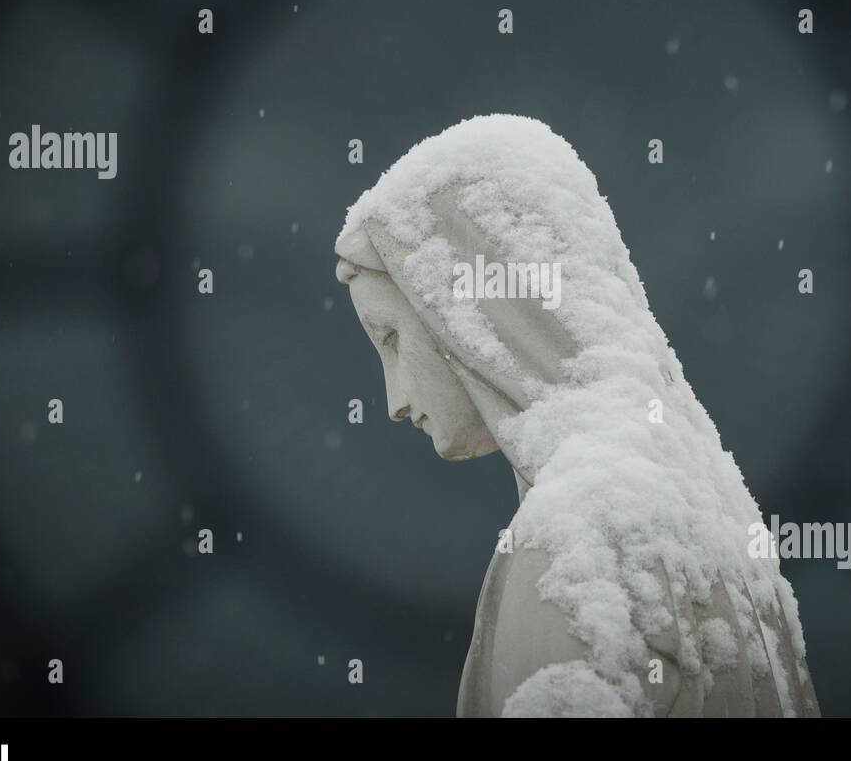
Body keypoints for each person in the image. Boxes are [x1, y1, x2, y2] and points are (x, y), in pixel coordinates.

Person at [335, 114, 819, 717]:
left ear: (467, 309)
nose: (395, 401)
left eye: (390, 339)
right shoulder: (717, 521)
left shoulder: (578, 544)